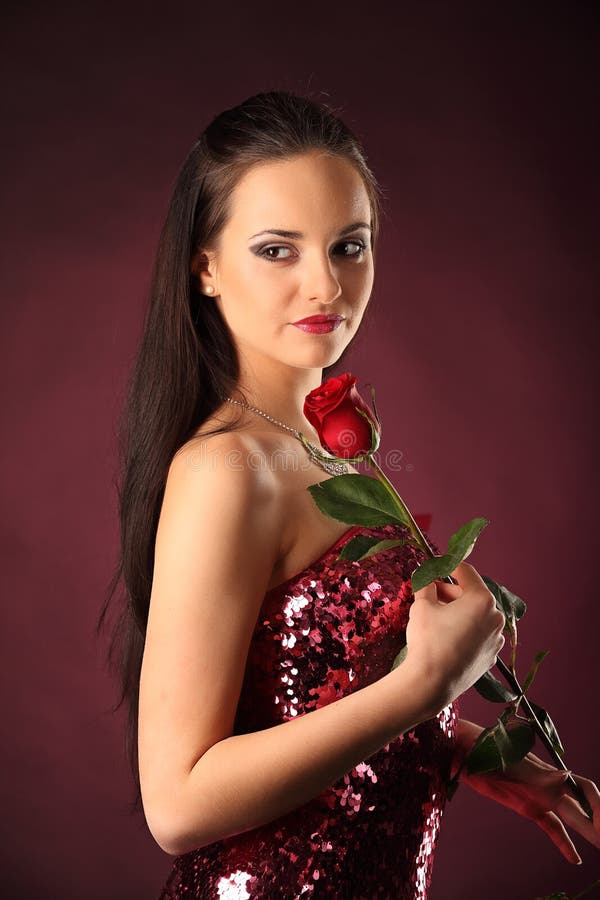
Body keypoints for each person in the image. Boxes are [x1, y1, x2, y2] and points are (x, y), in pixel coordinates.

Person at [98, 90, 600, 899]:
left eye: (349, 245)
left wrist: (461, 747)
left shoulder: (322, 442)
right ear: (206, 266)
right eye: (276, 249)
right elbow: (179, 803)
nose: (324, 284)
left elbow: (314, 694)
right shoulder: (227, 471)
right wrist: (423, 689)